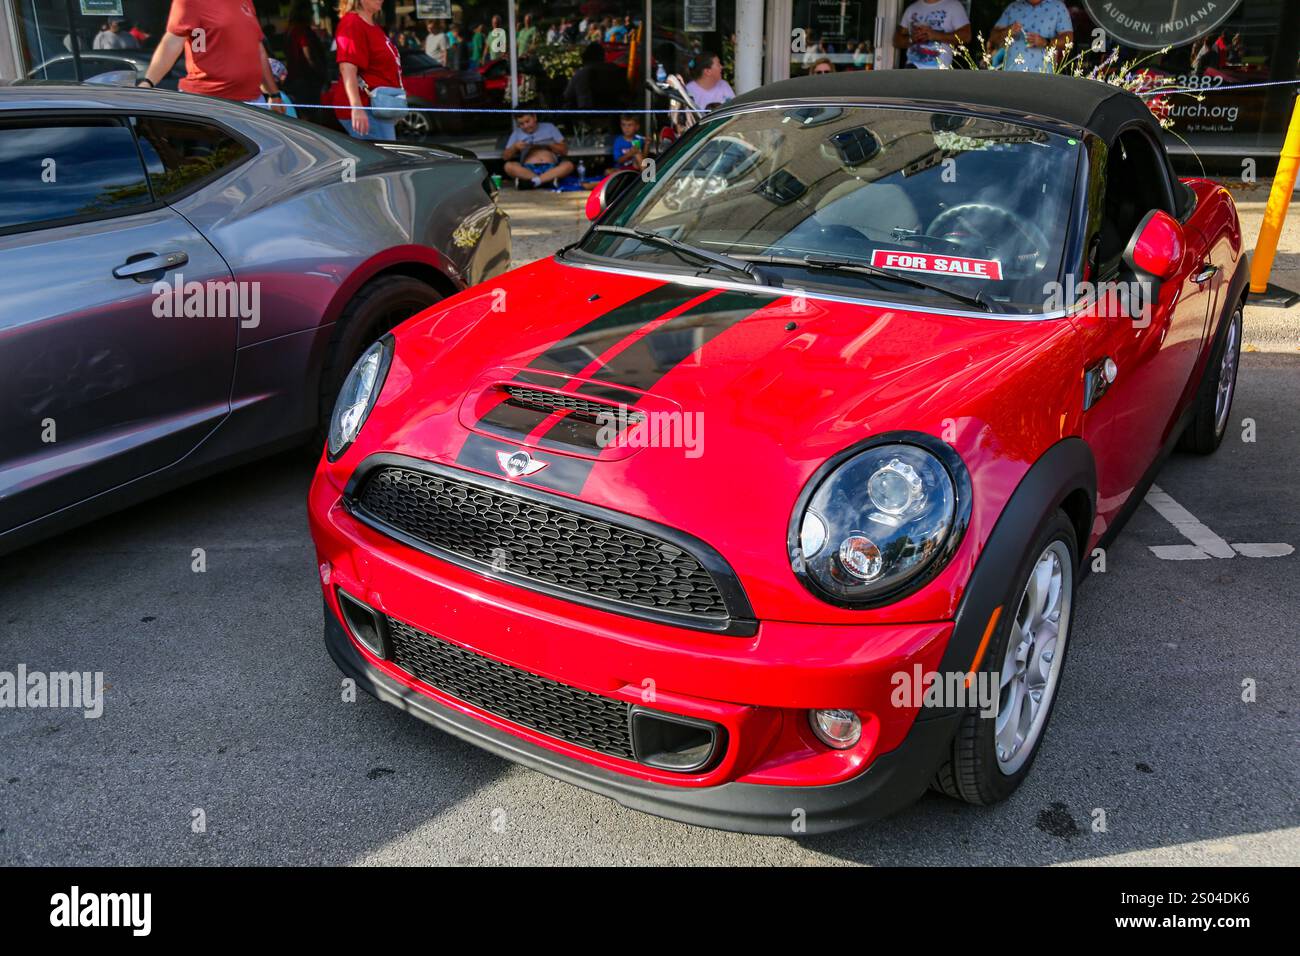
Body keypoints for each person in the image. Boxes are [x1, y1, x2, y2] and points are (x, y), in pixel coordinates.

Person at [138, 0, 285, 110]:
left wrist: (274, 94)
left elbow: (257, 49)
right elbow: (172, 42)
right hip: (212, 104)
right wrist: (148, 82)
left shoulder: (245, 1)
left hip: (253, 101)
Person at [334, 0, 403, 140]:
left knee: (387, 158)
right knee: (386, 160)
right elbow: (347, 67)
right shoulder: (352, 23)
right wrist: (357, 107)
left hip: (377, 108)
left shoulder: (371, 25)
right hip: (367, 108)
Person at [989, 0, 1073, 73]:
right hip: (1011, 76)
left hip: (1043, 78)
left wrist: (1046, 42)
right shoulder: (1013, 7)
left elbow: (1069, 40)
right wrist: (1008, 31)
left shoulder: (1058, 7)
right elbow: (993, 38)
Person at [503, 112, 575, 188]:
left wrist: (548, 144)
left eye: (527, 121)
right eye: (521, 124)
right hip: (527, 170)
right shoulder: (517, 133)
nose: (525, 126)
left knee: (568, 165)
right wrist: (515, 147)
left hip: (551, 168)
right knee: (508, 166)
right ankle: (545, 181)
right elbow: (505, 157)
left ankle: (533, 182)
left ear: (534, 117)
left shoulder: (550, 127)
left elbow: (564, 150)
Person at [893, 0, 970, 69]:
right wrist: (912, 39)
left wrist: (935, 35)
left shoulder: (954, 6)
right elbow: (897, 41)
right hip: (912, 68)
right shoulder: (912, 8)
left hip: (938, 71)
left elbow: (966, 36)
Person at [284, 1, 327, 107]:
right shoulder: (303, 31)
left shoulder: (289, 30)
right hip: (307, 79)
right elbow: (308, 54)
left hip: (294, 77)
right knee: (312, 112)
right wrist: (321, 72)